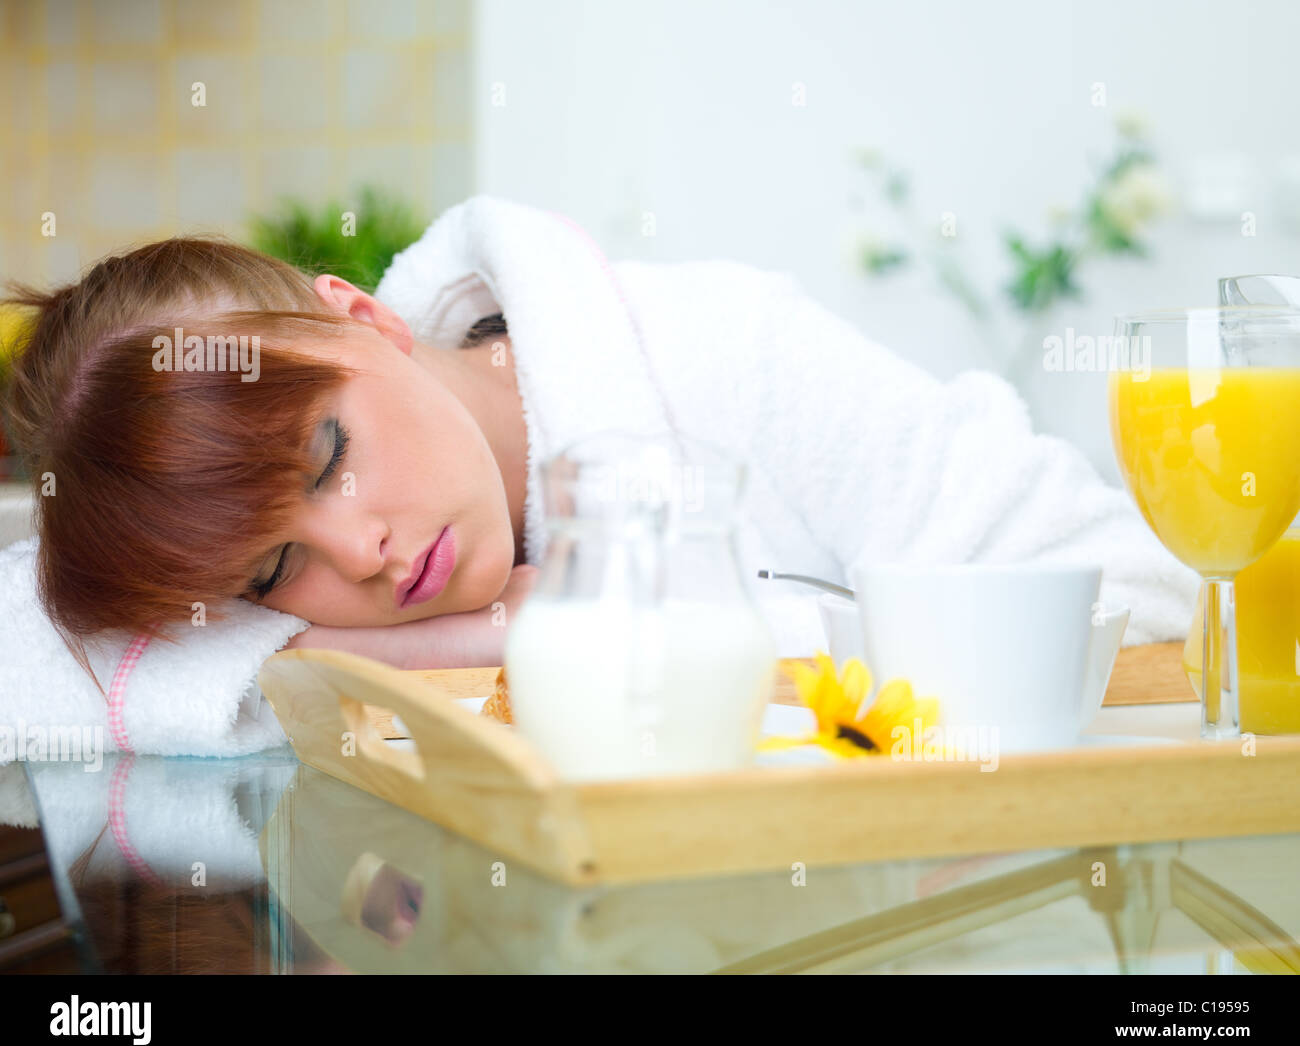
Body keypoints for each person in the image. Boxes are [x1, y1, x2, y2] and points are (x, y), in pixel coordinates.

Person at [1, 196, 1199, 682]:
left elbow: (1149, 608)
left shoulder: (731, 354)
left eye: (323, 454)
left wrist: (577, 628)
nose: (358, 552)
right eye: (275, 572)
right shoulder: (375, 634)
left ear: (358, 315)